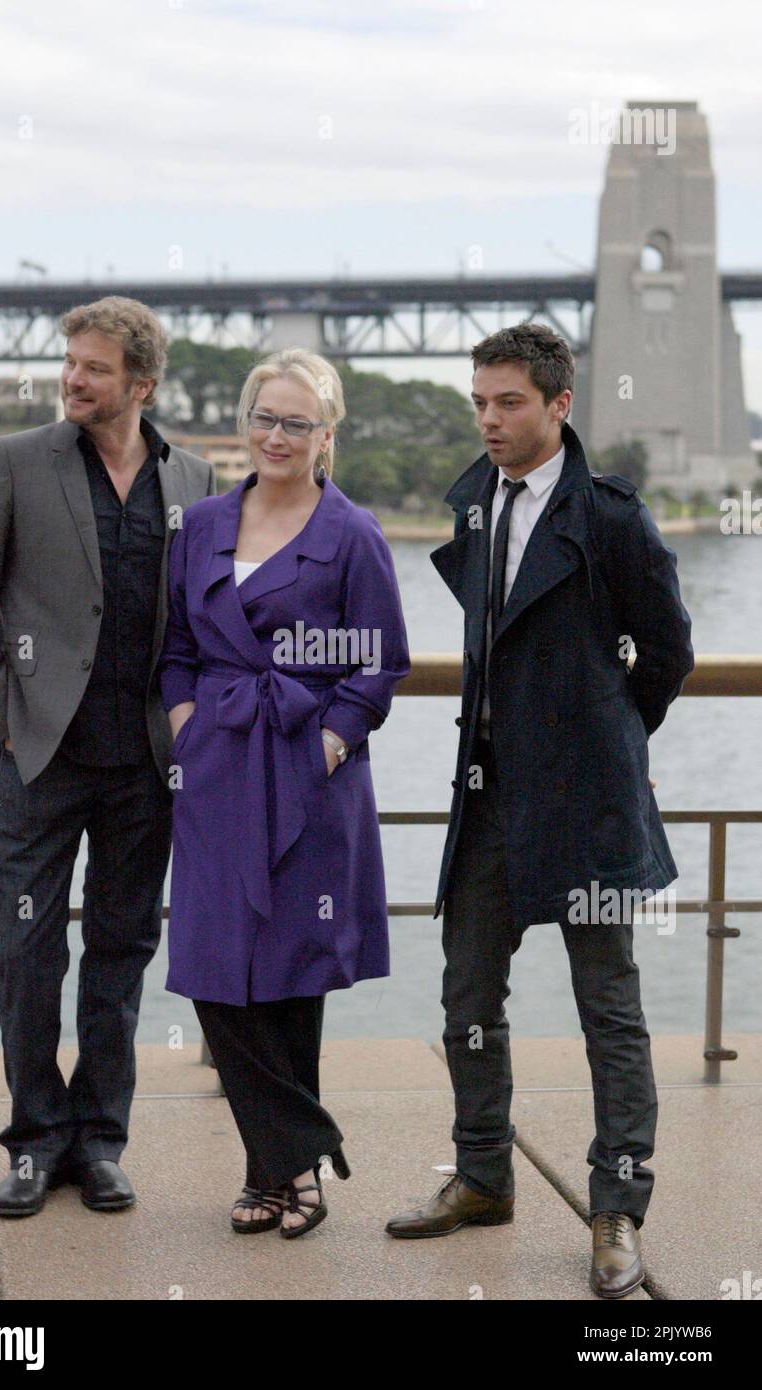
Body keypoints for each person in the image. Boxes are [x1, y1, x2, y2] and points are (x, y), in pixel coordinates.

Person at [385, 324, 694, 1299]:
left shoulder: (608, 518)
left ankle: (613, 1211)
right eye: (478, 400)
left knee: (608, 1010)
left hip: (590, 807)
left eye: (507, 401)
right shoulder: (474, 501)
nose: (487, 418)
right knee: (465, 998)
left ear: (558, 405)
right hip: (486, 796)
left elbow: (667, 649)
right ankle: (481, 1175)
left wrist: (613, 742)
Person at [0, 296, 216, 1217]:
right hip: (41, 758)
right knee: (24, 949)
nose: (73, 379)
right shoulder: (15, 461)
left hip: (147, 764)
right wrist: (1, 724)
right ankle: (32, 1138)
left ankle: (99, 1141)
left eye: (94, 368)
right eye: (70, 363)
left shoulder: (196, 480)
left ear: (140, 383)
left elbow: (209, 624)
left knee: (122, 953)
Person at [159, 347, 410, 1237]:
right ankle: (300, 1149)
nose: (276, 435)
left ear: (325, 436)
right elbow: (175, 649)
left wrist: (334, 742)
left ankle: (276, 1177)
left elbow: (380, 662)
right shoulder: (200, 525)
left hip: (309, 769)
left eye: (296, 423)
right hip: (218, 763)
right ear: (245, 423)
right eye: (265, 417)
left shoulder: (354, 533)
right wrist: (188, 721)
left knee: (292, 972)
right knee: (213, 965)